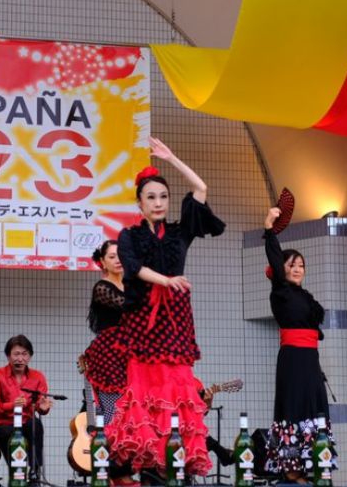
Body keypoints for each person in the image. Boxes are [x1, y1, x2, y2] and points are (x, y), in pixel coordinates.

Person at [106, 136, 225, 478]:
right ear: (140, 204)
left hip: (175, 322)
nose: (158, 203)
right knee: (143, 392)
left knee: (177, 390)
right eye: (151, 197)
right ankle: (147, 464)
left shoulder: (178, 232)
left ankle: (175, 464)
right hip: (143, 320)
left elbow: (200, 187)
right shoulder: (130, 236)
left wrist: (171, 158)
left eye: (163, 197)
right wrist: (166, 280)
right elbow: (133, 268)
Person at [260, 207, 332, 483]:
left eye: (301, 265)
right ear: (281, 270)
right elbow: (276, 261)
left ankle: (309, 463)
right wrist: (269, 230)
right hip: (292, 359)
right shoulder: (280, 291)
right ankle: (291, 468)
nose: (297, 269)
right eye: (292, 265)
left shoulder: (305, 296)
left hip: (310, 359)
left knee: (314, 407)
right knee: (293, 406)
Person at [80, 240, 137, 485]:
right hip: (109, 357)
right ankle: (109, 471)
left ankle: (124, 471)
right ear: (102, 261)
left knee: (131, 414)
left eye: (121, 255)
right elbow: (129, 308)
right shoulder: (102, 287)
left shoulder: (132, 285)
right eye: (112, 256)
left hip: (130, 356)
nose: (117, 259)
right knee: (112, 412)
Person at [0, 335, 52, 478]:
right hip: (5, 423)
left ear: (30, 357)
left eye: (24, 354)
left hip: (27, 421)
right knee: (7, 432)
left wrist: (43, 407)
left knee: (36, 425)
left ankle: (35, 470)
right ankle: (17, 472)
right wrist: (12, 405)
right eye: (16, 354)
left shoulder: (38, 376)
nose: (20, 358)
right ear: (8, 356)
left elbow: (40, 406)